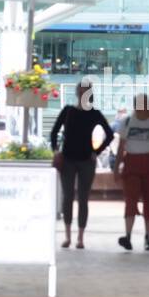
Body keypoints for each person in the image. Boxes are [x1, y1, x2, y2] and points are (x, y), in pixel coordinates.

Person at [50, 80, 114, 249]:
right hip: (68, 159)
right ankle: (68, 235)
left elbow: (110, 135)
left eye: (86, 90)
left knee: (83, 198)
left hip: (86, 159)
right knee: (68, 197)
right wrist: (56, 150)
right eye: (81, 90)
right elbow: (54, 131)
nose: (83, 93)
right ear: (78, 92)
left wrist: (97, 151)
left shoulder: (95, 113)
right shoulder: (68, 111)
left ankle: (80, 237)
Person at [113, 93, 149, 251]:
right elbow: (120, 147)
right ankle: (128, 236)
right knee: (130, 200)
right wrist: (116, 168)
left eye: (143, 103)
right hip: (132, 163)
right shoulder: (127, 121)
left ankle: (147, 237)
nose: (141, 107)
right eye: (138, 103)